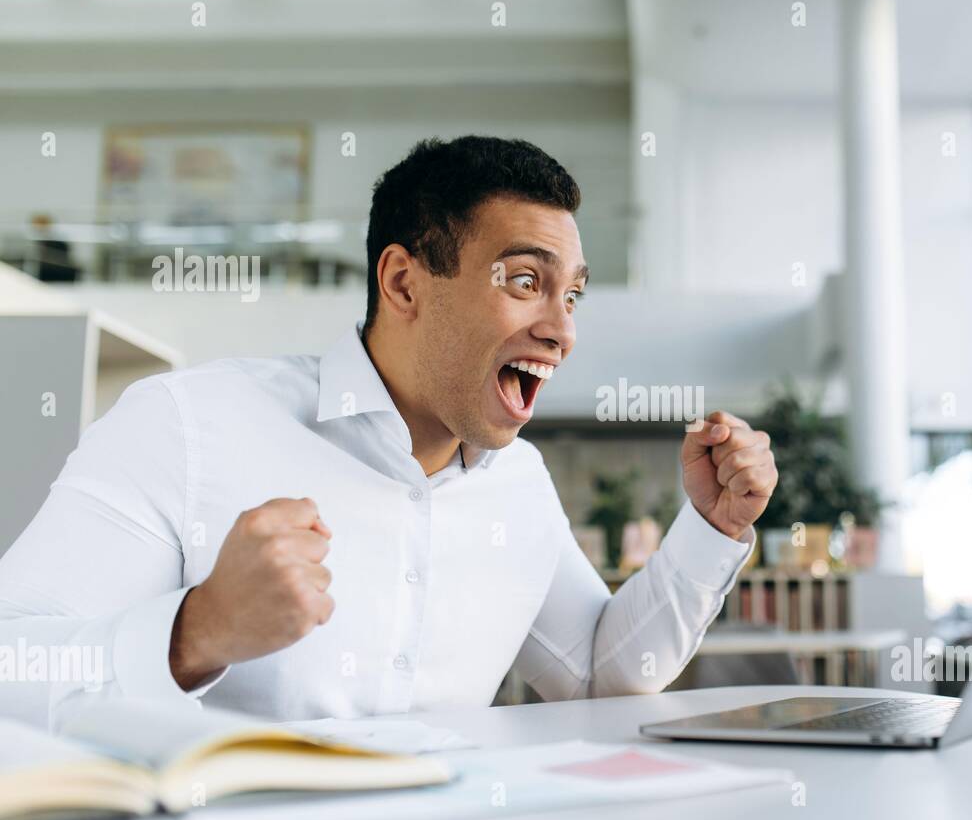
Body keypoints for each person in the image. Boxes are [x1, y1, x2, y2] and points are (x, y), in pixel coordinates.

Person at [0, 136, 778, 729]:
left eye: (571, 295)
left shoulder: (519, 485)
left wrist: (713, 527)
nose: (561, 331)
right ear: (404, 281)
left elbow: (601, 676)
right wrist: (194, 631)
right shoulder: (186, 424)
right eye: (525, 281)